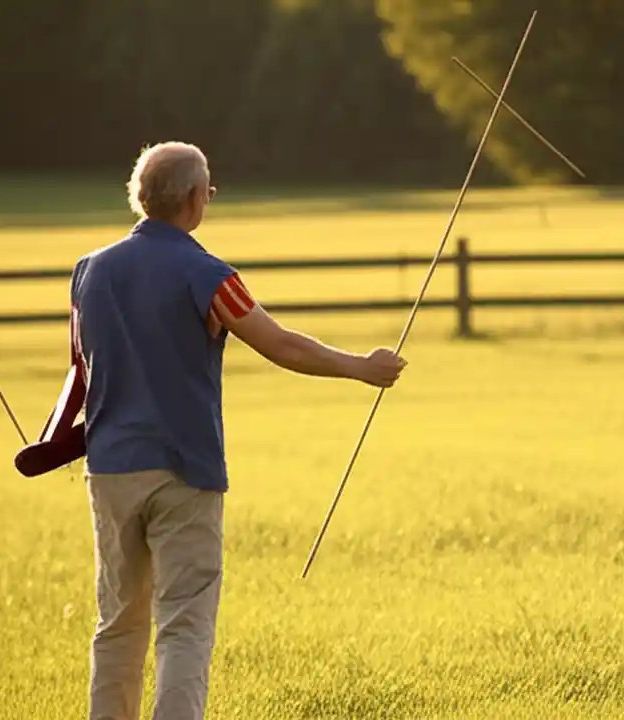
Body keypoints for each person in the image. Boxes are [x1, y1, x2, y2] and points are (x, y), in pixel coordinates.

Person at [62, 141, 406, 720]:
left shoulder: (88, 272)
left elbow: (81, 365)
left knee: (117, 623)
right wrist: (361, 368)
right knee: (184, 624)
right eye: (209, 192)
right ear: (195, 199)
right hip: (184, 470)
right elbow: (280, 344)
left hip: (111, 469)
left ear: (141, 198)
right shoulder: (209, 274)